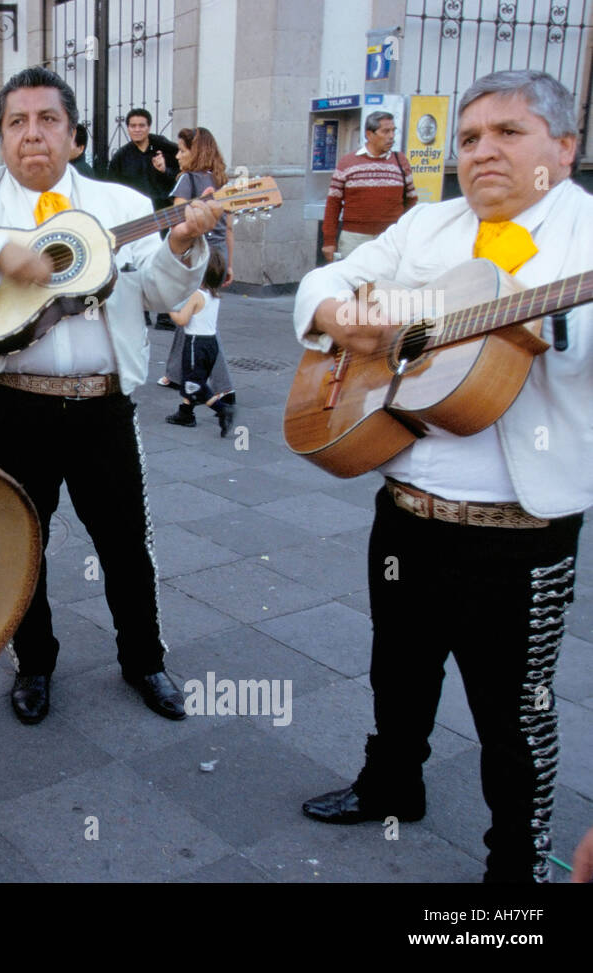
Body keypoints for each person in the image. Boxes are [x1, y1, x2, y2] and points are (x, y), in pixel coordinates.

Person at [295, 70, 592, 883]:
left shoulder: (587, 237)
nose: (483, 151)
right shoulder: (428, 225)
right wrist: (338, 316)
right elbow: (328, 279)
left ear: (564, 148)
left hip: (519, 533)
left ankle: (516, 868)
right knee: (398, 665)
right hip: (406, 506)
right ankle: (392, 786)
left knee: (514, 715)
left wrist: (552, 321)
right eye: (469, 138)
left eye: (509, 132)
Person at [0, 66, 219, 725]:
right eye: (16, 122)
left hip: (103, 402)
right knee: (22, 539)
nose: (32, 134)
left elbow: (162, 295)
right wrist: (3, 258)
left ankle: (144, 660)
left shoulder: (123, 207)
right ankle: (35, 662)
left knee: (126, 541)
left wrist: (184, 244)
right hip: (8, 400)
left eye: (48, 120)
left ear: (74, 136)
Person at [157, 126, 236, 426]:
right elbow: (228, 228)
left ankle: (224, 389)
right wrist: (230, 264)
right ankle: (176, 374)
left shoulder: (187, 180)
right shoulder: (220, 181)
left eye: (181, 150)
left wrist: (172, 260)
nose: (177, 156)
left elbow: (179, 225)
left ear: (196, 151)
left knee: (199, 321)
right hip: (218, 255)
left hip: (196, 255)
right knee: (197, 316)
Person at [321, 110, 417, 261]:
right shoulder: (347, 163)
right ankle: (362, 287)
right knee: (357, 282)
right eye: (385, 131)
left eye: (393, 131)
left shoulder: (400, 161)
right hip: (355, 239)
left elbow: (411, 200)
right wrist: (329, 241)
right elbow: (333, 204)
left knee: (383, 282)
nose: (391, 136)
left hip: (390, 238)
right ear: (369, 134)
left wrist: (401, 230)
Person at [162, 250, 234, 436]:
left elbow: (182, 320)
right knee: (194, 378)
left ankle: (222, 409)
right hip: (211, 344)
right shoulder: (214, 294)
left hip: (195, 343)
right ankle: (185, 412)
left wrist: (169, 307)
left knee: (195, 384)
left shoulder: (196, 295)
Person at [106, 107, 178, 210]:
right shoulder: (121, 156)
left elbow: (180, 175)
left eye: (142, 125)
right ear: (128, 128)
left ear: (149, 127)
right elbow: (113, 187)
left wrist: (165, 170)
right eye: (133, 126)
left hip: (163, 210)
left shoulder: (164, 147)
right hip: (135, 211)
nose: (137, 130)